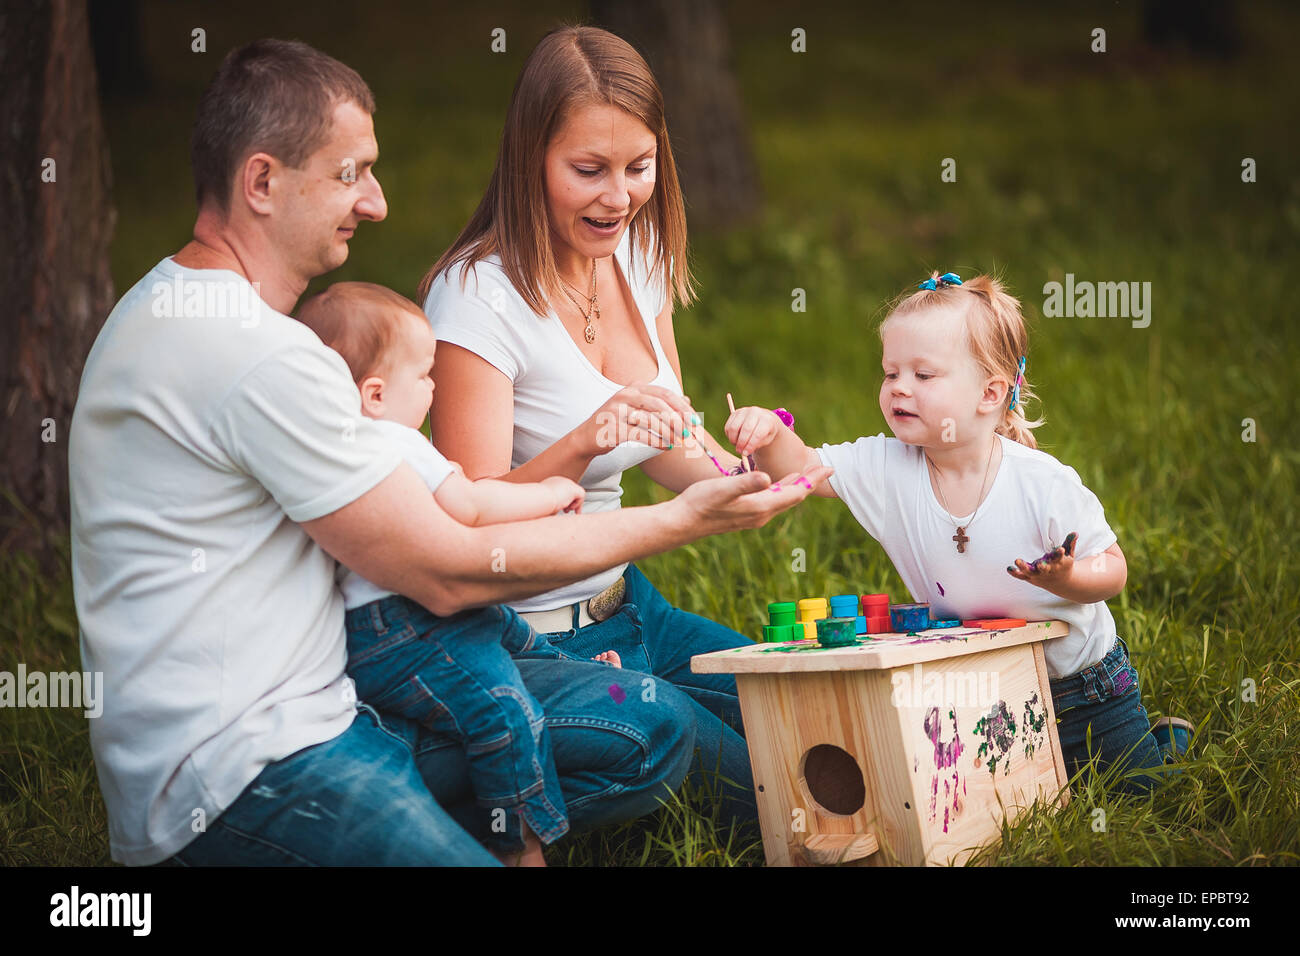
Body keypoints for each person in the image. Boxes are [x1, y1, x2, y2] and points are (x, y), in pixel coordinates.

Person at [68, 38, 830, 866]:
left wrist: (756, 463)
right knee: (698, 749)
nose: (378, 202)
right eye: (351, 172)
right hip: (249, 771)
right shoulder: (257, 355)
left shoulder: (177, 314)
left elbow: (440, 535)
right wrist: (680, 519)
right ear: (261, 182)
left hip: (326, 715)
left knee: (745, 730)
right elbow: (454, 565)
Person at [422, 25, 767, 825]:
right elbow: (471, 528)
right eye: (589, 171)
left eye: (638, 167)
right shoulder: (476, 297)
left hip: (634, 605)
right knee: (767, 798)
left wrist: (744, 479)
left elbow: (670, 441)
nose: (618, 197)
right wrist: (583, 441)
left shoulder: (635, 252)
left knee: (803, 713)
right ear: (529, 158)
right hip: (537, 638)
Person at [725, 271, 1194, 795]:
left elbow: (1113, 569)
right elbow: (805, 467)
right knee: (995, 809)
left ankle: (1167, 745)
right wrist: (769, 432)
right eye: (890, 373)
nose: (899, 387)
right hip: (978, 687)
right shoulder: (887, 467)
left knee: (1140, 793)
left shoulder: (1041, 481)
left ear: (990, 393)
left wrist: (1068, 581)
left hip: (1083, 688)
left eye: (924, 375)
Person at [297, 281, 625, 866]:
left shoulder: (334, 445)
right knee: (501, 708)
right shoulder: (394, 441)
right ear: (374, 393)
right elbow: (472, 504)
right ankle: (520, 845)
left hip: (376, 625)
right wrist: (550, 492)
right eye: (424, 375)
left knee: (508, 631)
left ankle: (572, 670)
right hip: (402, 625)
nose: (434, 386)